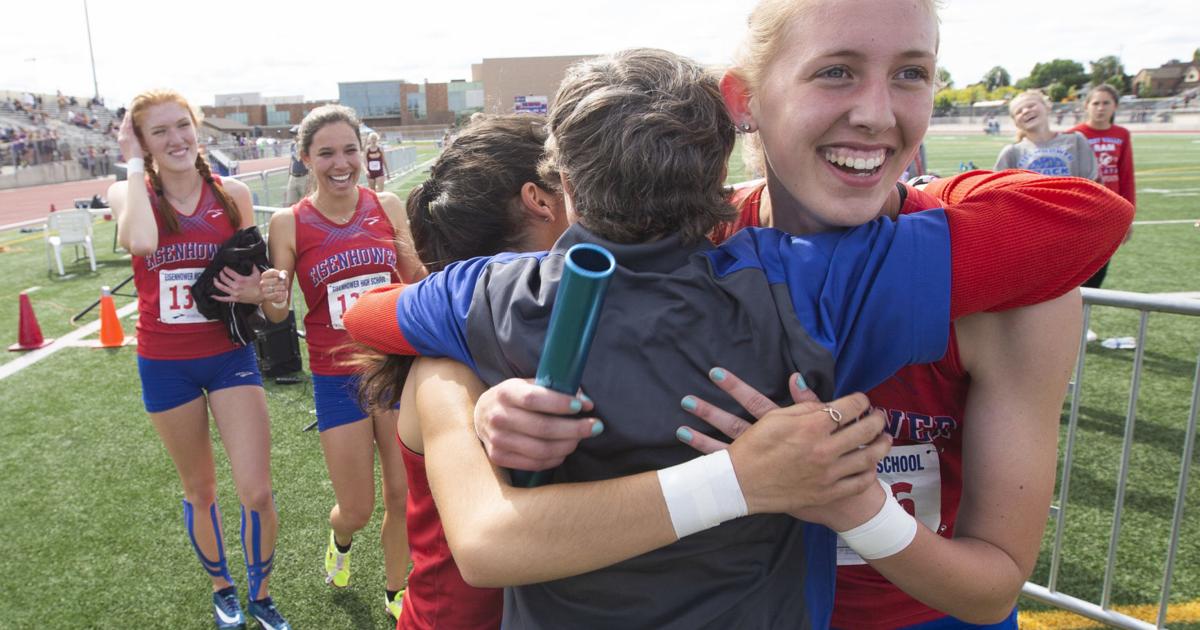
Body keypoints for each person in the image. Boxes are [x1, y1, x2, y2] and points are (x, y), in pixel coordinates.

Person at [345, 46, 1131, 630]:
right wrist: (745, 480)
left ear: (564, 182)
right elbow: (1092, 217)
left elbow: (367, 315)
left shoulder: (484, 294)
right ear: (726, 145)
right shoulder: (818, 275)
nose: (870, 110)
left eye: (907, 72)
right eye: (835, 73)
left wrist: (470, 369)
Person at [355, 113, 567, 630]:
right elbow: (488, 544)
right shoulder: (446, 367)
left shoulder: (551, 313)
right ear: (539, 199)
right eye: (573, 172)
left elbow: (366, 311)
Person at [107, 89, 290, 630]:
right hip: (164, 363)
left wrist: (263, 291)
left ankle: (261, 593)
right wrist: (135, 161)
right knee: (201, 489)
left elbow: (266, 296)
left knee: (255, 489)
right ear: (141, 142)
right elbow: (141, 242)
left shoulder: (232, 195)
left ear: (198, 127)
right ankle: (222, 587)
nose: (176, 139)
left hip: (229, 356)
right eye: (158, 131)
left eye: (182, 126)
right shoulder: (127, 193)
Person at [256, 104, 420, 621]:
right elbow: (278, 309)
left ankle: (397, 593)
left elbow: (414, 275)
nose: (340, 162)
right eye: (326, 152)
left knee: (403, 494)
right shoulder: (288, 223)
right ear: (306, 159)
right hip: (335, 378)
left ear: (363, 153)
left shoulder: (388, 206)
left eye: (349, 149)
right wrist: (271, 293)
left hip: (393, 368)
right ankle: (341, 537)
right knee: (359, 508)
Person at [1069, 84, 1136, 295]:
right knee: (1073, 272)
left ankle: (1084, 322)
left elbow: (1125, 175)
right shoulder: (1072, 135)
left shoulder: (1121, 134)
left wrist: (1129, 216)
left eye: (1106, 103)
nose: (1100, 108)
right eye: (1095, 103)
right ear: (1086, 106)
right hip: (1081, 209)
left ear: (1115, 106)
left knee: (1098, 271)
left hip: (1109, 211)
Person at [995, 89, 1099, 181]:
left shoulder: (1076, 140)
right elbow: (999, 191)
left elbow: (1092, 183)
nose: (1025, 111)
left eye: (1031, 105)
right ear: (1016, 123)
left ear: (1047, 107)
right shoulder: (1011, 153)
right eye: (1018, 111)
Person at [284, 129, 309, 206]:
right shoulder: (292, 145)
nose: (294, 137)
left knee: (305, 203)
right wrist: (289, 177)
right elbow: (292, 161)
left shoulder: (306, 147)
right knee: (290, 203)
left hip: (304, 176)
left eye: (296, 134)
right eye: (293, 135)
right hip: (293, 176)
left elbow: (302, 159)